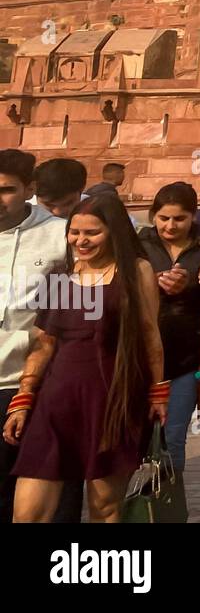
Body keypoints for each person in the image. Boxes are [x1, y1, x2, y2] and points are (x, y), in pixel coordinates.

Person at [4, 194, 166, 523]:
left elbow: (150, 335)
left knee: (105, 508)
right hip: (55, 400)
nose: (81, 240)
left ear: (114, 232)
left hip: (112, 398)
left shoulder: (135, 271)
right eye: (75, 232)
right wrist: (23, 398)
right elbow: (44, 343)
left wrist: (159, 391)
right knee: (27, 514)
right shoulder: (58, 276)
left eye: (92, 232)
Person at [0, 149, 79, 524]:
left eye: (6, 190)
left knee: (47, 498)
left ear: (29, 189)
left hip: (34, 384)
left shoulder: (59, 235)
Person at [137, 181, 200, 473]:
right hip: (141, 356)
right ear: (153, 215)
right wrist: (151, 282)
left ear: (193, 216)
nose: (170, 226)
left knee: (172, 437)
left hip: (185, 357)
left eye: (179, 219)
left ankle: (168, 507)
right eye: (163, 218)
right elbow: (120, 294)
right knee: (136, 437)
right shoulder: (139, 247)